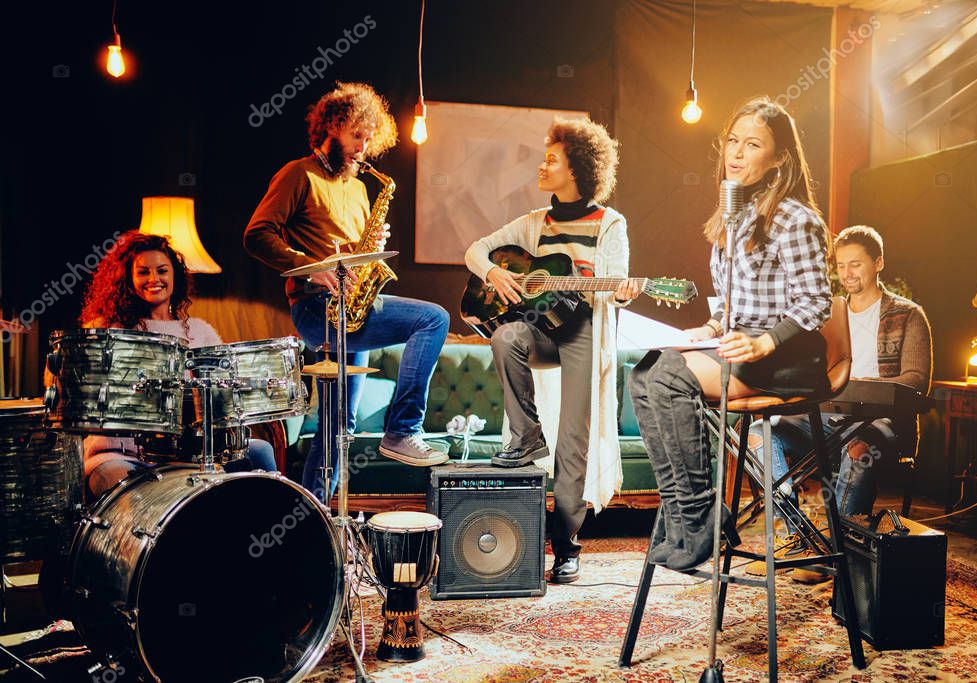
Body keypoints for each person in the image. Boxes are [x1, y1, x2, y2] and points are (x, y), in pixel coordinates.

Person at [628, 97, 833, 573]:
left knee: (665, 378)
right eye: (733, 141)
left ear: (779, 157)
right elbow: (728, 302)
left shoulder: (795, 219)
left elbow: (816, 302)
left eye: (753, 144)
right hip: (740, 345)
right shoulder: (733, 215)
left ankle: (702, 517)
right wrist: (711, 327)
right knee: (642, 375)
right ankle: (686, 514)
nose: (737, 153)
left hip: (786, 357)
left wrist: (765, 341)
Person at [244, 81, 450, 501]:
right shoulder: (297, 173)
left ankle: (309, 516)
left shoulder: (358, 188)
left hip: (350, 304)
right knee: (434, 318)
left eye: (370, 139)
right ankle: (402, 430)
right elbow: (256, 235)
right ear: (332, 126)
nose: (363, 147)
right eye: (357, 135)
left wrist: (368, 251)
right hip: (317, 307)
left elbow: (350, 257)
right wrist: (310, 269)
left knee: (340, 425)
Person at [465, 117, 640, 584]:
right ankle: (525, 437)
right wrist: (492, 274)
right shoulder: (534, 223)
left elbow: (616, 281)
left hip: (583, 331)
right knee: (504, 337)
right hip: (541, 332)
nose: (542, 166)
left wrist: (621, 291)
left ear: (578, 169)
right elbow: (475, 249)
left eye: (551, 160)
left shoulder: (610, 223)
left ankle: (566, 546)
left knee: (574, 440)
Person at [748, 225, 932, 581]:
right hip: (826, 419)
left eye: (856, 264)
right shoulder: (827, 314)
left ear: (878, 262)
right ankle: (799, 538)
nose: (847, 273)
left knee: (858, 449)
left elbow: (915, 381)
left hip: (883, 425)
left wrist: (857, 387)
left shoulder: (908, 314)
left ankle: (836, 549)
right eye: (841, 265)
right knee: (758, 433)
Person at [79, 232, 278, 499]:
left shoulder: (200, 331)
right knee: (130, 497)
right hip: (118, 454)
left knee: (260, 450)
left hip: (189, 455)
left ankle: (274, 535)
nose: (154, 279)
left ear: (175, 276)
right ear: (128, 278)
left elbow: (224, 399)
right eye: (143, 272)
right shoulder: (105, 329)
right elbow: (76, 389)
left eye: (162, 270)